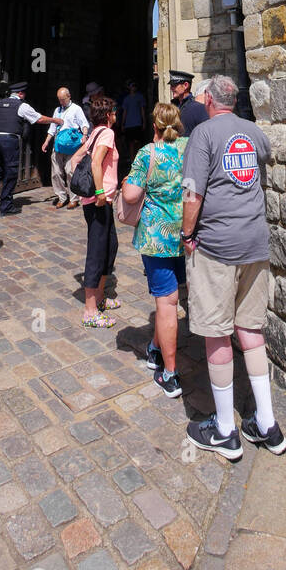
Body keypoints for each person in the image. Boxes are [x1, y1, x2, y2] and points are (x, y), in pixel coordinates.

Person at [181, 74, 286, 459]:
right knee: (251, 330)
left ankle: (226, 429)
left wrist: (187, 234)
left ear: (209, 99)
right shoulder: (253, 132)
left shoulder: (204, 135)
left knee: (217, 333)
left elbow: (193, 193)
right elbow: (259, 166)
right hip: (255, 242)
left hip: (218, 245)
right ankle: (267, 423)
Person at [121, 102, 188, 397]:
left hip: (156, 236)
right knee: (172, 298)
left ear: (155, 125)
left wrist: (127, 182)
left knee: (166, 302)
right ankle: (154, 347)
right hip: (184, 231)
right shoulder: (187, 148)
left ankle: (169, 373)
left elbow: (132, 194)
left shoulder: (148, 153)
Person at [74, 94, 120, 328]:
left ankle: (100, 297)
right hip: (98, 201)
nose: (116, 114)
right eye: (114, 110)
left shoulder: (94, 133)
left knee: (110, 246)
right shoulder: (107, 133)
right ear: (108, 114)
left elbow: (74, 160)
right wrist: (99, 192)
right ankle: (90, 310)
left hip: (99, 201)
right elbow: (94, 163)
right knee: (97, 251)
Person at [0, 81, 61, 216]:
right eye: (24, 93)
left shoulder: (0, 103)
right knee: (11, 172)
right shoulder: (22, 105)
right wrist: (55, 120)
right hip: (10, 141)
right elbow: (39, 119)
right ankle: (6, 206)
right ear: (20, 94)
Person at [40, 87, 89, 207]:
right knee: (56, 173)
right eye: (59, 100)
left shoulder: (76, 109)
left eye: (63, 99)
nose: (61, 102)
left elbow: (84, 123)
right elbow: (52, 128)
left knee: (70, 171)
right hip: (58, 145)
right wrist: (46, 141)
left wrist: (85, 135)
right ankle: (61, 196)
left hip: (71, 145)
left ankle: (74, 198)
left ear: (69, 96)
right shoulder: (57, 110)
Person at [169, 69, 208, 135]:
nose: (171, 88)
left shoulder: (197, 108)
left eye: (174, 85)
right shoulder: (173, 106)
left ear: (185, 85)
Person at [120, 80, 147, 163]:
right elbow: (124, 112)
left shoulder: (140, 97)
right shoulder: (126, 99)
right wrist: (123, 124)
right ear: (129, 87)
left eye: (135, 85)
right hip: (129, 124)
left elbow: (142, 110)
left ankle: (138, 159)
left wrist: (144, 122)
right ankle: (132, 160)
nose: (134, 87)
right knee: (131, 143)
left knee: (138, 142)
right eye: (132, 85)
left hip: (138, 122)